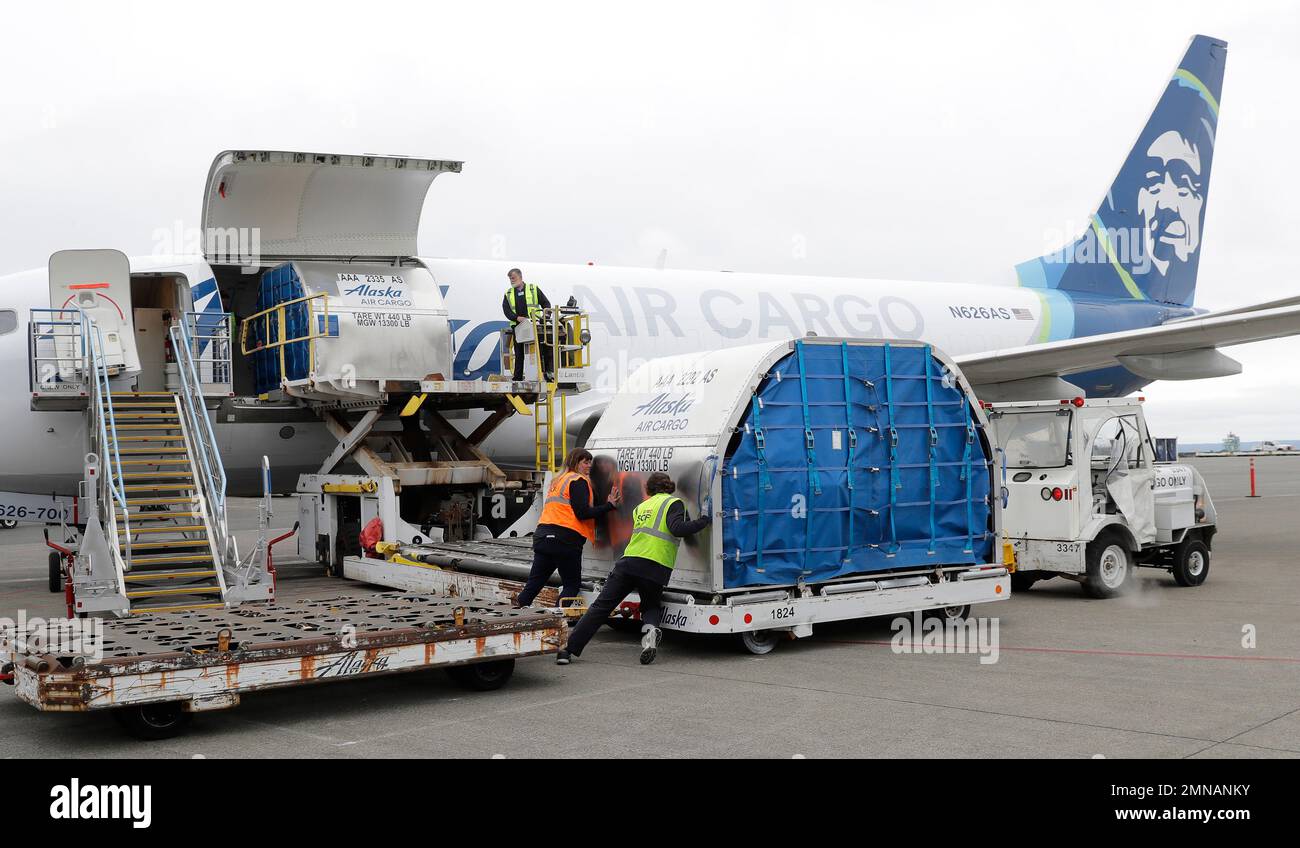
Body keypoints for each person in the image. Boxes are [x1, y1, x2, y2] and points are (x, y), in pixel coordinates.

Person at [557, 471, 710, 666]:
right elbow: (677, 529)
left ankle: (567, 651)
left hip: (629, 562)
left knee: (601, 607)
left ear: (649, 489)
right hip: (656, 565)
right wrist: (704, 520)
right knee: (651, 605)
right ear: (668, 487)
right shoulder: (673, 503)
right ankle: (650, 635)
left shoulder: (641, 507)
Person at [516, 448, 620, 610]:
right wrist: (609, 506)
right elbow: (583, 513)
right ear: (575, 463)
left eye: (590, 462)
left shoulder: (558, 481)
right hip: (565, 540)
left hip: (543, 537)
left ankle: (517, 610)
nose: (589, 466)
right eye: (585, 462)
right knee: (571, 585)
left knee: (534, 583)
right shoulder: (578, 481)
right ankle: (558, 616)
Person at [501, 268, 552, 380]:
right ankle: (517, 377)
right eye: (510, 279)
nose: (511, 280)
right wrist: (516, 318)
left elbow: (546, 303)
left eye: (513, 278)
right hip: (519, 327)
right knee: (519, 352)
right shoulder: (508, 293)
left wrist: (545, 317)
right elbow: (506, 310)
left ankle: (545, 374)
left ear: (520, 277)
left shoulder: (533, 289)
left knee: (539, 350)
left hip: (533, 326)